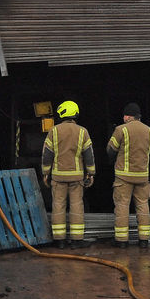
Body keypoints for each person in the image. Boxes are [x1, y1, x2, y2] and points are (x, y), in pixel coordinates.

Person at [41, 100, 95, 247]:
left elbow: (47, 155)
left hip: (58, 177)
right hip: (76, 177)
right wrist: (90, 173)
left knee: (58, 206)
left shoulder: (54, 131)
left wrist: (46, 173)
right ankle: (77, 240)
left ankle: (60, 241)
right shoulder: (83, 132)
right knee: (77, 206)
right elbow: (88, 155)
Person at [107, 102, 150, 248]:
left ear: (127, 116)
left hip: (124, 177)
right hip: (142, 176)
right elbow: (148, 151)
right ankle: (144, 240)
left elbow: (111, 149)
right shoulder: (149, 131)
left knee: (122, 206)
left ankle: (122, 241)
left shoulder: (121, 129)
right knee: (143, 205)